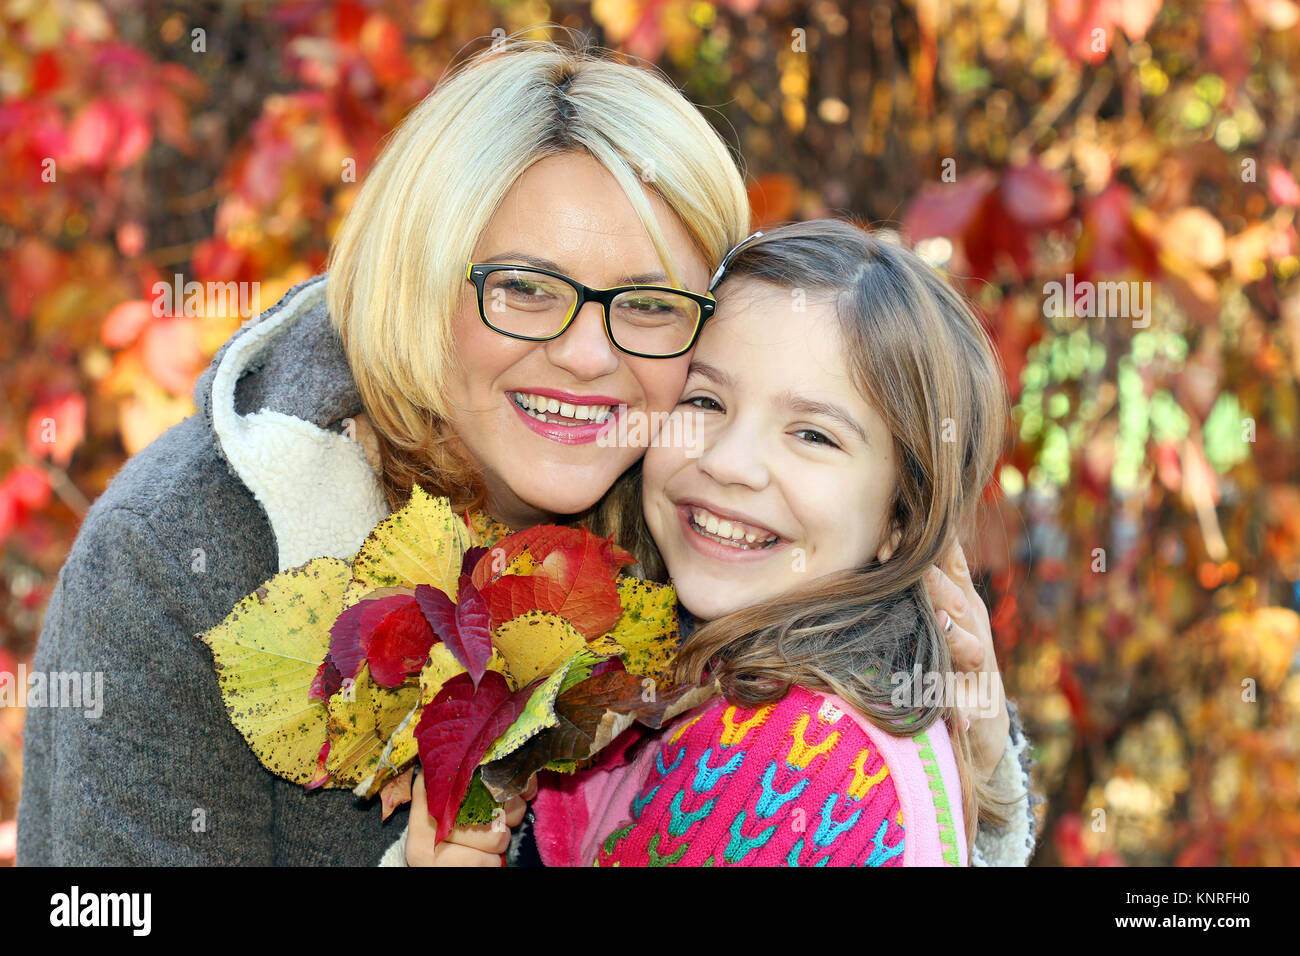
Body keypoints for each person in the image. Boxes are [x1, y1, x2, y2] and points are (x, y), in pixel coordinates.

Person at [18, 39, 1031, 866]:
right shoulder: (181, 558)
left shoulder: (691, 527)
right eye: (526, 289)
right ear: (422, 279)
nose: (588, 356)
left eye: (645, 304)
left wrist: (977, 790)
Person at [521, 220, 1037, 865]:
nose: (731, 462)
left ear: (898, 520)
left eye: (814, 435)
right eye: (704, 400)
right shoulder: (711, 676)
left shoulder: (791, 765)